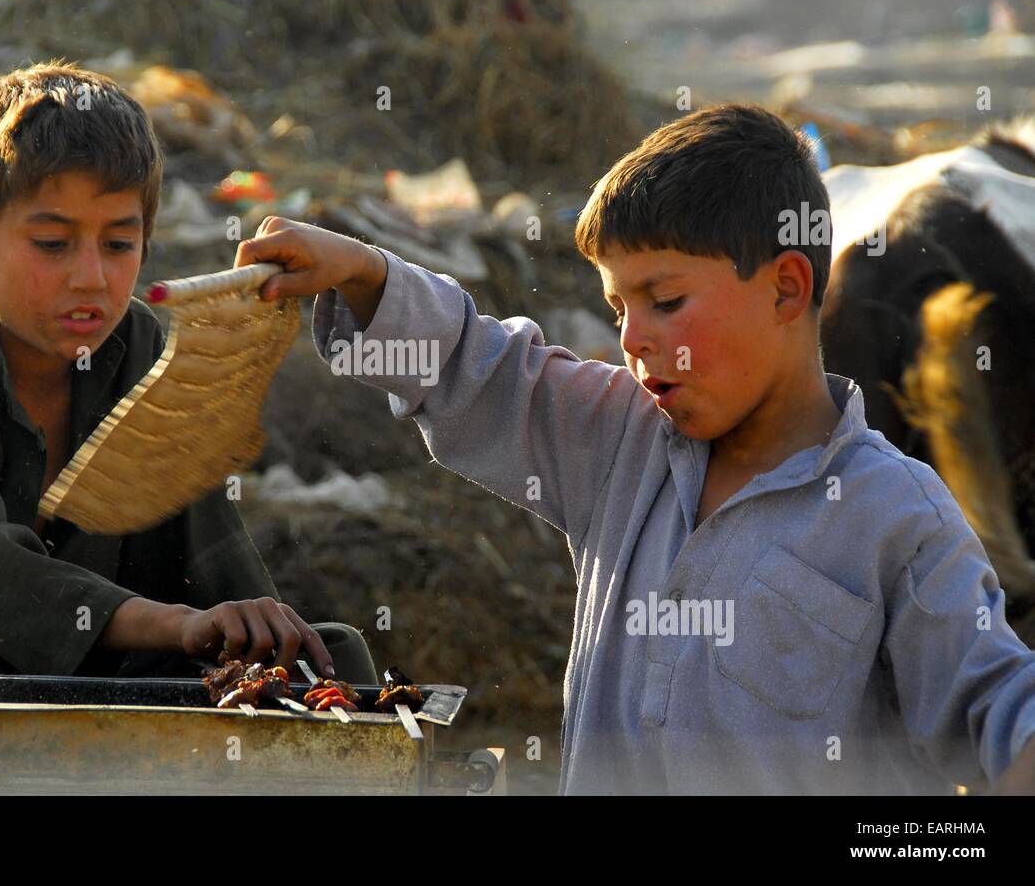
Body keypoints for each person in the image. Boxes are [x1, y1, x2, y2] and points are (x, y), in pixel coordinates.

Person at [233, 103, 1035, 794]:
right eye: (618, 308)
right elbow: (477, 372)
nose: (632, 340)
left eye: (665, 300)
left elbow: (995, 703)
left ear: (788, 288)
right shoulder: (618, 444)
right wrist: (366, 273)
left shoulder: (898, 517)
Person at [0, 61, 374, 683]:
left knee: (335, 656)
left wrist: (258, 637)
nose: (91, 277)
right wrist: (181, 626)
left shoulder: (140, 346)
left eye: (118, 244)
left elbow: (214, 550)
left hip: (114, 679)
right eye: (52, 244)